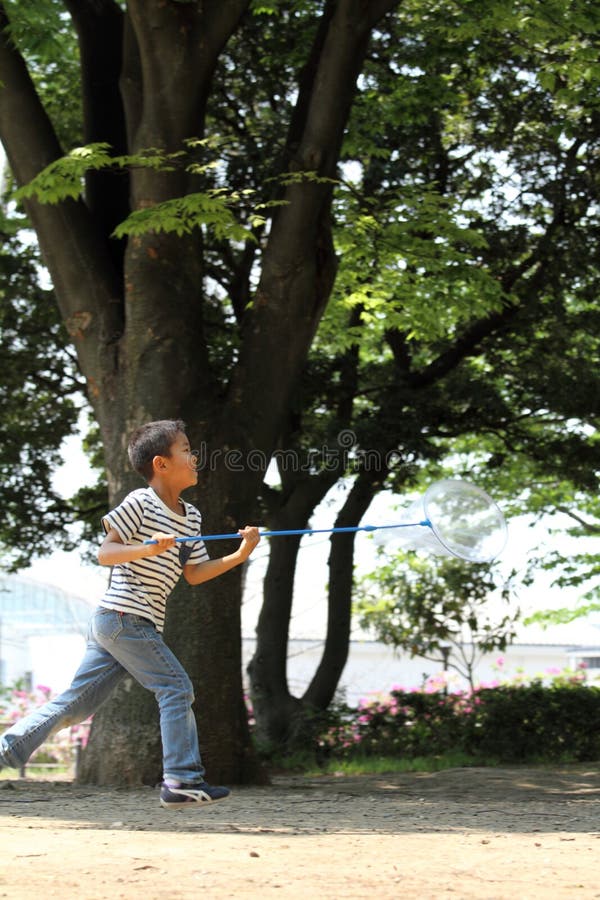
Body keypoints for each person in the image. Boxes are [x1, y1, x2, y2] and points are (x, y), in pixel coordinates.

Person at [0, 419, 260, 808]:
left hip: (126, 624)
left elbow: (194, 573)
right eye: (186, 449)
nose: (194, 457)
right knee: (175, 687)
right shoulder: (141, 502)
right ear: (162, 463)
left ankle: (4, 753)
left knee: (77, 704)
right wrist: (147, 549)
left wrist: (240, 555)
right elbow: (105, 552)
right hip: (123, 617)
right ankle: (182, 780)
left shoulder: (191, 517)